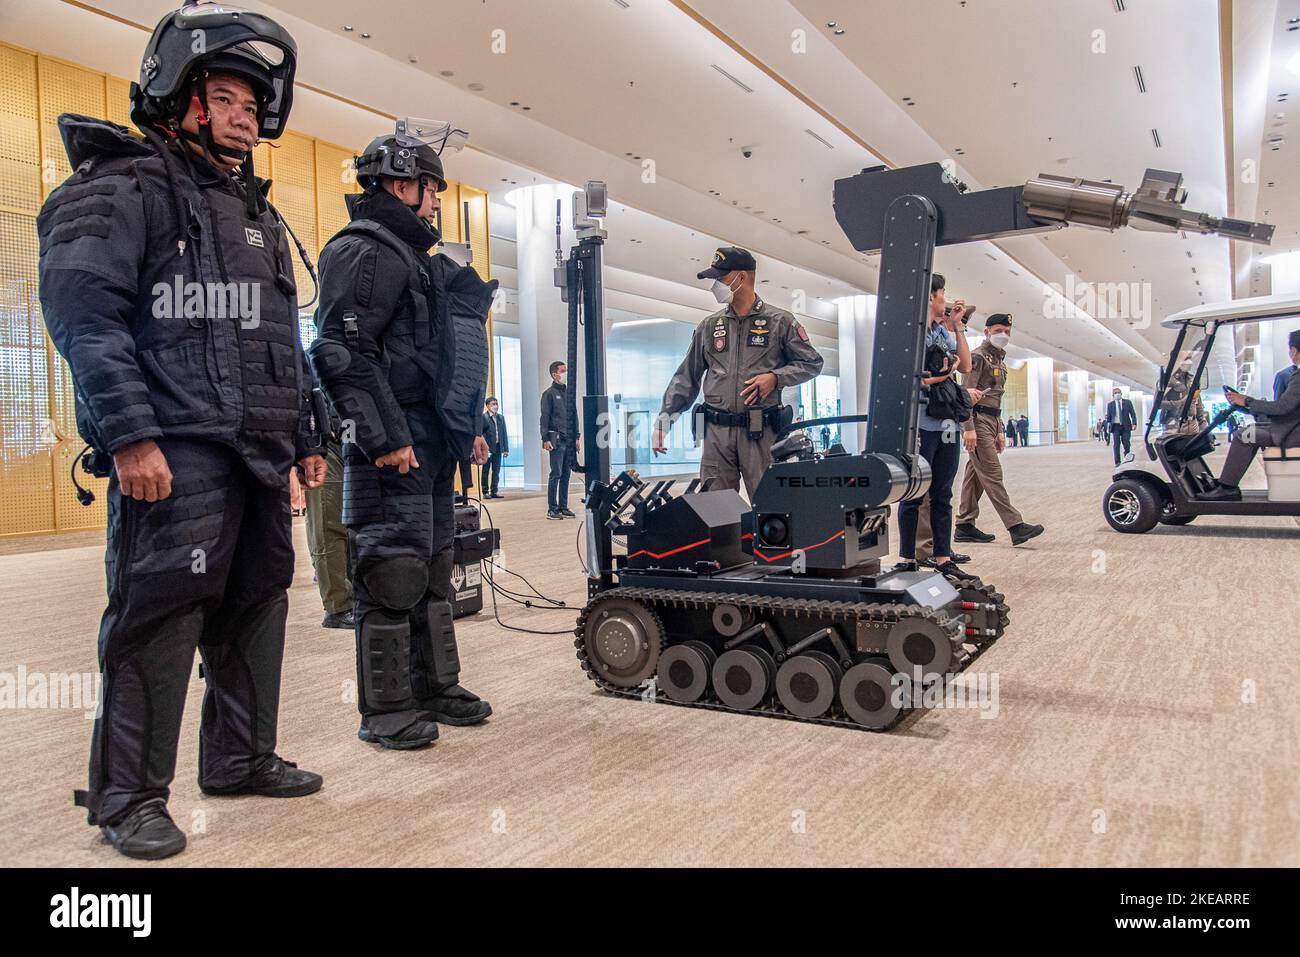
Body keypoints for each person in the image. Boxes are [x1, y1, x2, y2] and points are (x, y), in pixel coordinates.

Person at [35, 5, 326, 860]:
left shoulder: (258, 215)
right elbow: (88, 321)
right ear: (183, 94)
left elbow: (285, 341)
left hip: (259, 454)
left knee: (256, 605)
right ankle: (128, 798)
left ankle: (239, 757)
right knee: (158, 615)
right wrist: (128, 434)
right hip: (173, 446)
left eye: (251, 104)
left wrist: (307, 433)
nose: (245, 116)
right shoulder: (119, 186)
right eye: (229, 98)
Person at [310, 121, 495, 751]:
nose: (438, 199)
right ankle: (386, 710)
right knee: (391, 572)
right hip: (392, 447)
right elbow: (339, 351)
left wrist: (463, 429)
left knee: (435, 570)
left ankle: (434, 687)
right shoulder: (365, 249)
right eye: (430, 187)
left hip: (432, 443)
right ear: (397, 184)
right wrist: (384, 436)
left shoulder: (413, 256)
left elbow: (442, 353)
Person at [653, 246, 824, 497]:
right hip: (716, 435)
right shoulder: (710, 327)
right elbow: (686, 377)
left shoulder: (780, 322)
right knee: (716, 512)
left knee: (771, 510)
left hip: (761, 433)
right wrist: (664, 421)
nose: (715, 285)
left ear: (741, 277)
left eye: (720, 278)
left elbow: (812, 363)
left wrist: (776, 378)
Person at [895, 274, 978, 580]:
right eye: (942, 295)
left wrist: (957, 325)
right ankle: (906, 558)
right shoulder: (913, 334)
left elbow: (965, 364)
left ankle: (943, 558)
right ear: (930, 297)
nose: (945, 300)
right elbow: (923, 378)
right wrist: (948, 371)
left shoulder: (940, 332)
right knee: (914, 493)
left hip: (946, 425)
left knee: (942, 494)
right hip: (921, 425)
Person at [954, 314, 1044, 547]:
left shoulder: (1000, 361)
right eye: (997, 330)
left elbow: (997, 399)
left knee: (975, 474)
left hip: (992, 421)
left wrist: (1001, 430)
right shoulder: (977, 357)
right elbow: (966, 395)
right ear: (986, 332)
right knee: (992, 473)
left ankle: (964, 525)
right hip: (977, 420)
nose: (1003, 335)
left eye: (1006, 331)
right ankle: (1015, 526)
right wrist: (969, 429)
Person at [1205, 329, 1300, 500]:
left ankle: (1227, 488)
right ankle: (1227, 481)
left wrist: (1247, 402)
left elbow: (1282, 407)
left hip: (1293, 433)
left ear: (1293, 351)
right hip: (1293, 428)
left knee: (1244, 435)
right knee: (1252, 431)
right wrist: (1247, 404)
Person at [305, 407, 353, 630]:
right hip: (326, 442)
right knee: (328, 525)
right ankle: (337, 607)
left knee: (352, 524)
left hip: (352, 440)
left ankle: (350, 599)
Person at [541, 360, 579, 519]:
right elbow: (544, 418)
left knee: (566, 474)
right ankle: (552, 508)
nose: (565, 374)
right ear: (554, 374)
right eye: (563, 371)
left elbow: (574, 416)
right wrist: (545, 438)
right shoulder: (548, 394)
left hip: (569, 440)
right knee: (555, 473)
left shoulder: (568, 393)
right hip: (556, 439)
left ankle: (563, 507)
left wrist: (577, 437)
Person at [480, 396, 508, 499]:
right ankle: (485, 492)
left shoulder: (501, 417)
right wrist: (483, 449)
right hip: (487, 449)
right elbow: (481, 434)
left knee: (496, 471)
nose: (495, 406)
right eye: (493, 404)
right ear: (487, 406)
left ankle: (494, 491)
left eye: (496, 404)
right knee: (486, 470)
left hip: (498, 447)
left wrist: (506, 449)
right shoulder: (483, 417)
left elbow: (504, 434)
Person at [1105, 388, 1137, 465]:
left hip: (1126, 426)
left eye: (1119, 392)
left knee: (1126, 443)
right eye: (1115, 393)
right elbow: (1109, 417)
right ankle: (1117, 462)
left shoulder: (1128, 402)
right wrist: (1107, 427)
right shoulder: (1110, 404)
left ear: (1121, 393)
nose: (1117, 394)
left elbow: (1133, 413)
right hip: (1115, 426)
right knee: (1116, 444)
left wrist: (1134, 423)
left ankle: (1127, 459)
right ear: (1113, 395)